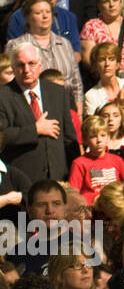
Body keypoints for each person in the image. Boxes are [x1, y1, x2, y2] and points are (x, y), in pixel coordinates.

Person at [0, 42, 79, 183]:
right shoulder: (3, 96)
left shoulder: (57, 92)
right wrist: (35, 129)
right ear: (13, 68)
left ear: (40, 66)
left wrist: (75, 176)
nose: (26, 69)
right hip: (22, 179)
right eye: (20, 65)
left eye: (31, 63)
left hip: (58, 177)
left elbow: (69, 138)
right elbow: (2, 136)